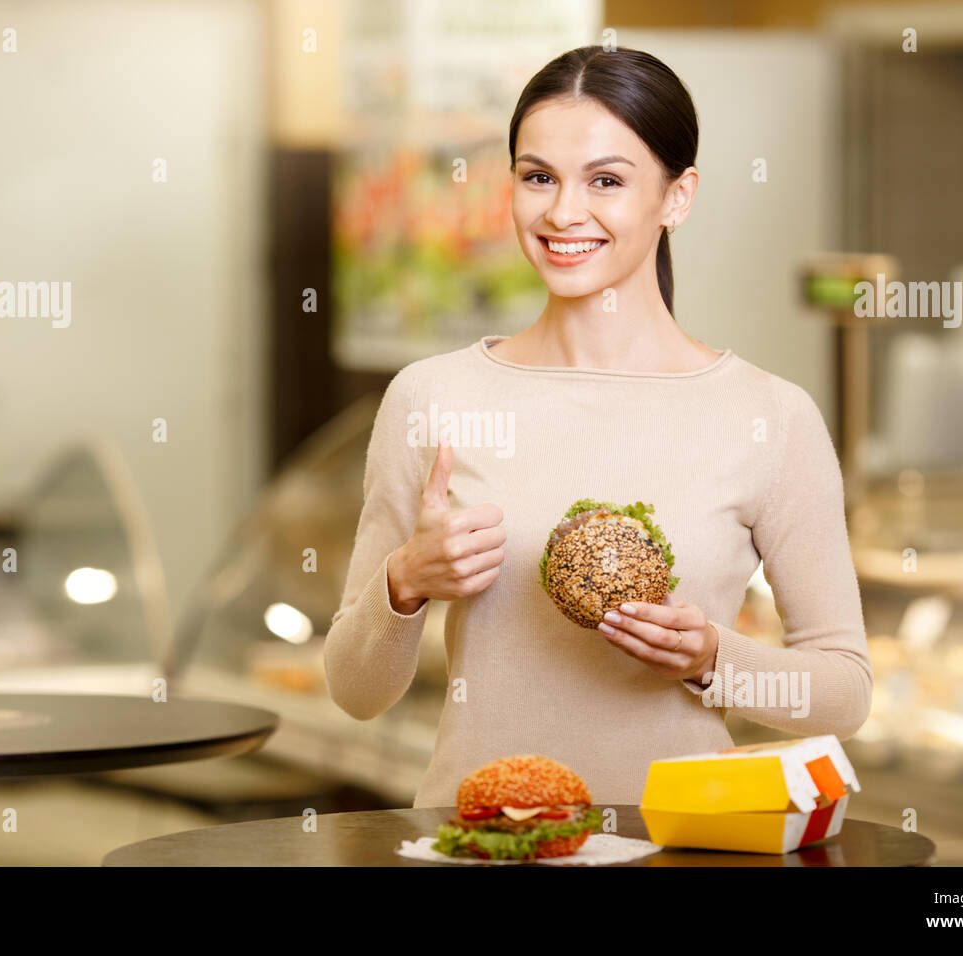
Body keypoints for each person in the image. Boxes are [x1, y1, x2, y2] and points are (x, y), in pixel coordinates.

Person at [324, 45, 872, 808]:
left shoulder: (770, 417)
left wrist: (711, 657)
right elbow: (355, 691)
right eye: (537, 176)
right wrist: (407, 582)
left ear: (677, 198)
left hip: (682, 847)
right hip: (484, 845)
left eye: (606, 181)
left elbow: (845, 693)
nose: (562, 213)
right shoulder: (430, 397)